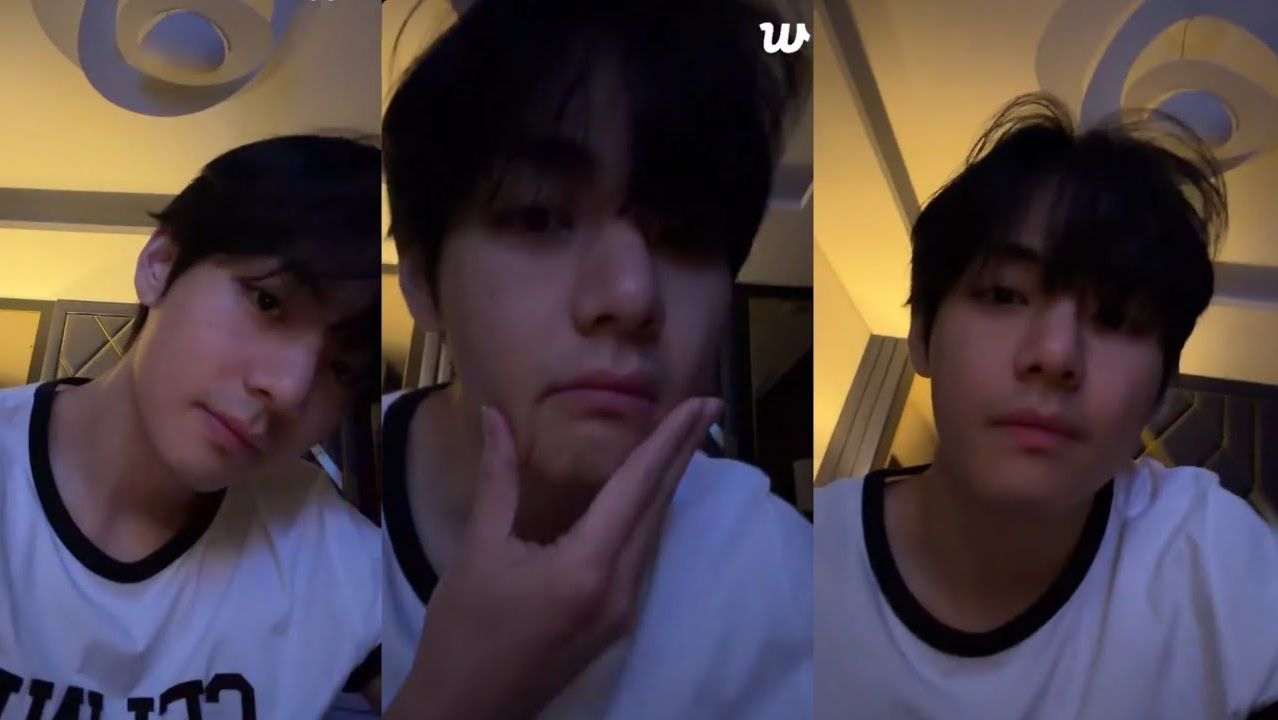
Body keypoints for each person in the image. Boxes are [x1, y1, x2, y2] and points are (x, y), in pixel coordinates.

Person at [379, 0, 813, 717]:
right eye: (539, 216)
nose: (632, 295)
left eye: (684, 232)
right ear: (422, 278)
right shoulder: (322, 513)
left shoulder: (784, 580)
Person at [815, 93, 1278, 719]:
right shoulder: (800, 559)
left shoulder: (1213, 557)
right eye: (1005, 295)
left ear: (1162, 389)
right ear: (921, 333)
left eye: (1117, 317)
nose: (1056, 354)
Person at [0, 135, 382, 718]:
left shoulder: (335, 561)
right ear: (160, 265)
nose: (290, 390)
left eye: (343, 368)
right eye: (267, 303)